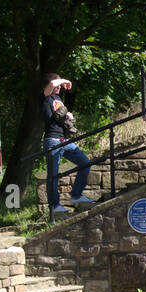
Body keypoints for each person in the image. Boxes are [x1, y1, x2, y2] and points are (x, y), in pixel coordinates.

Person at [41, 73, 96, 217]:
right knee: (53, 176)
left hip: (65, 140)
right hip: (52, 141)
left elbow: (60, 116)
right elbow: (52, 85)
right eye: (57, 84)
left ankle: (76, 195)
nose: (59, 87)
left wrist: (69, 116)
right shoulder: (45, 97)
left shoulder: (58, 98)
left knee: (85, 163)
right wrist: (65, 80)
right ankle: (55, 207)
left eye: (60, 85)